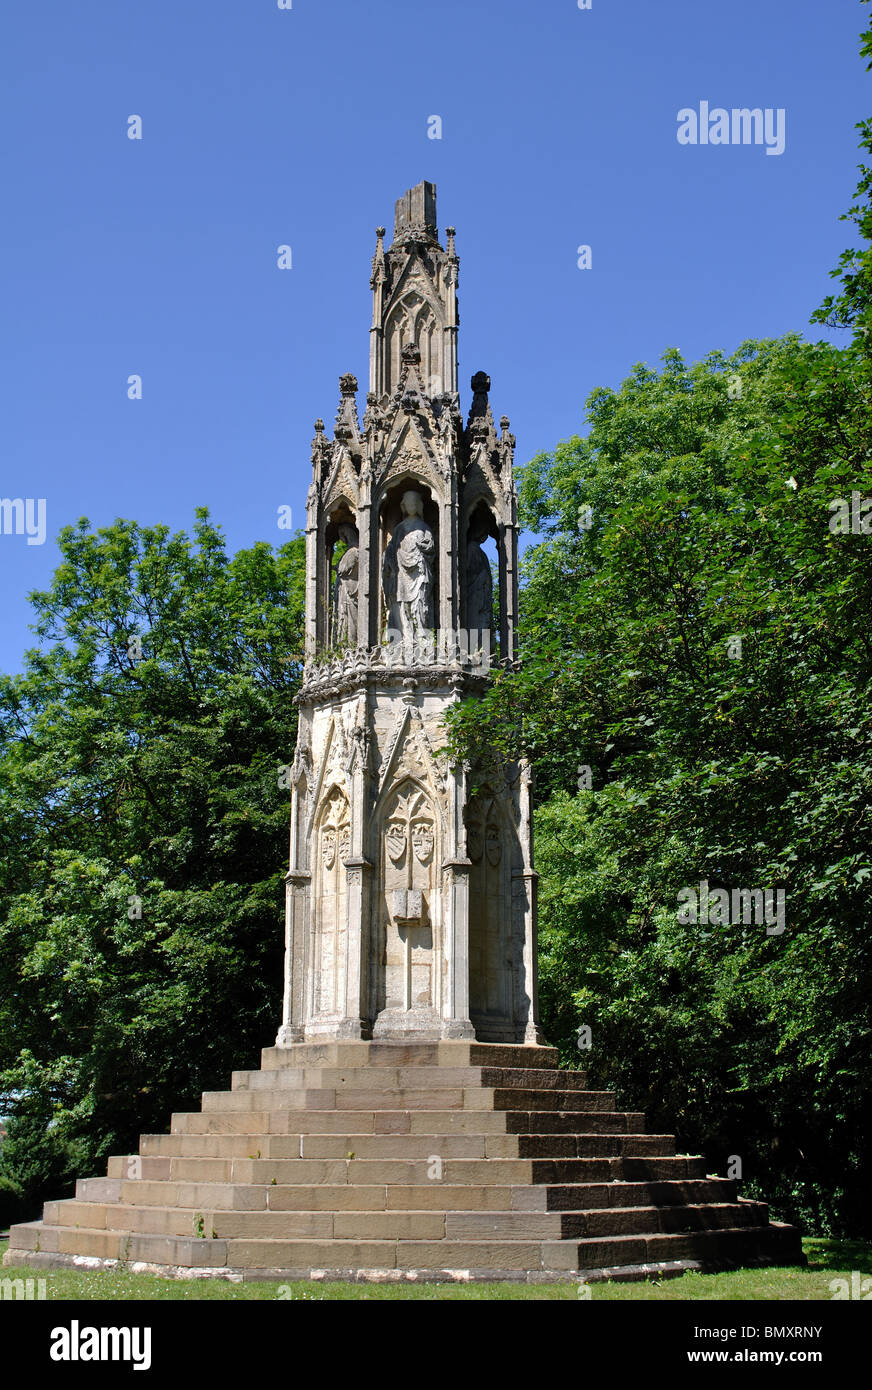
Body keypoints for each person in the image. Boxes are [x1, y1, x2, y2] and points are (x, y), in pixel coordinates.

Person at [382, 491, 435, 647]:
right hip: (401, 573)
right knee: (402, 606)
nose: (411, 506)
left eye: (414, 503)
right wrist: (389, 560)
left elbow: (431, 547)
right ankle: (406, 639)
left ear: (419, 505)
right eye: (408, 503)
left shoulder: (424, 527)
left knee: (421, 604)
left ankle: (422, 639)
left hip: (419, 570)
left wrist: (424, 547)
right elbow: (391, 548)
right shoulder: (400, 528)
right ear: (404, 506)